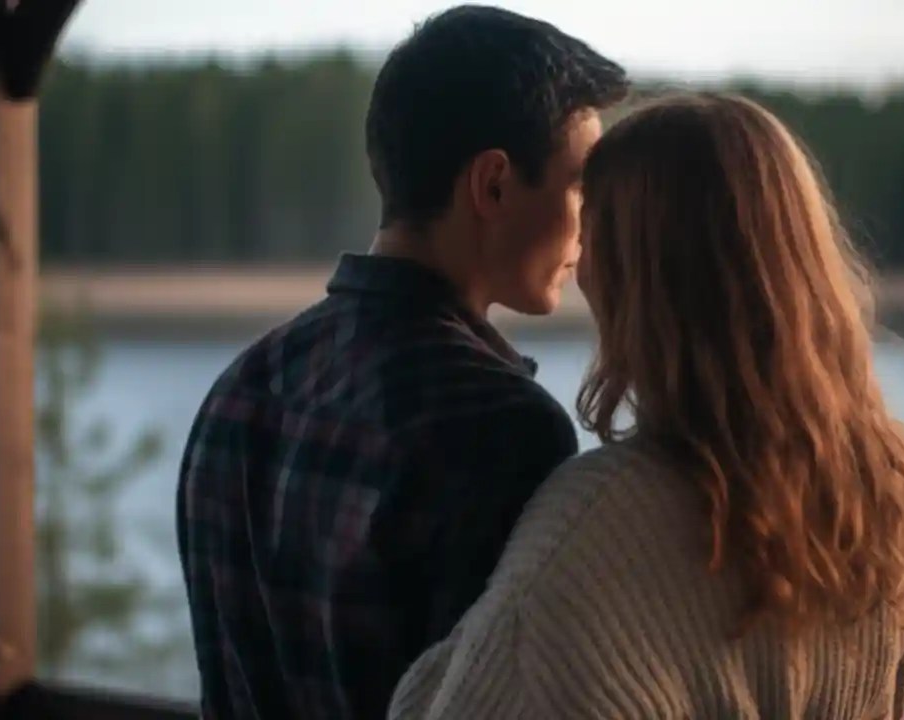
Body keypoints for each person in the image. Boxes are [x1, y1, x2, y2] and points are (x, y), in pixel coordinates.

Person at [389, 94, 904, 719]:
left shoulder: (598, 523)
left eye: (595, 238)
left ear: (637, 281)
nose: (581, 268)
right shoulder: (866, 510)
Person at [176, 5, 628, 718]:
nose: (591, 223)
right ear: (495, 186)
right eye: (581, 188)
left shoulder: (241, 388)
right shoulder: (500, 426)